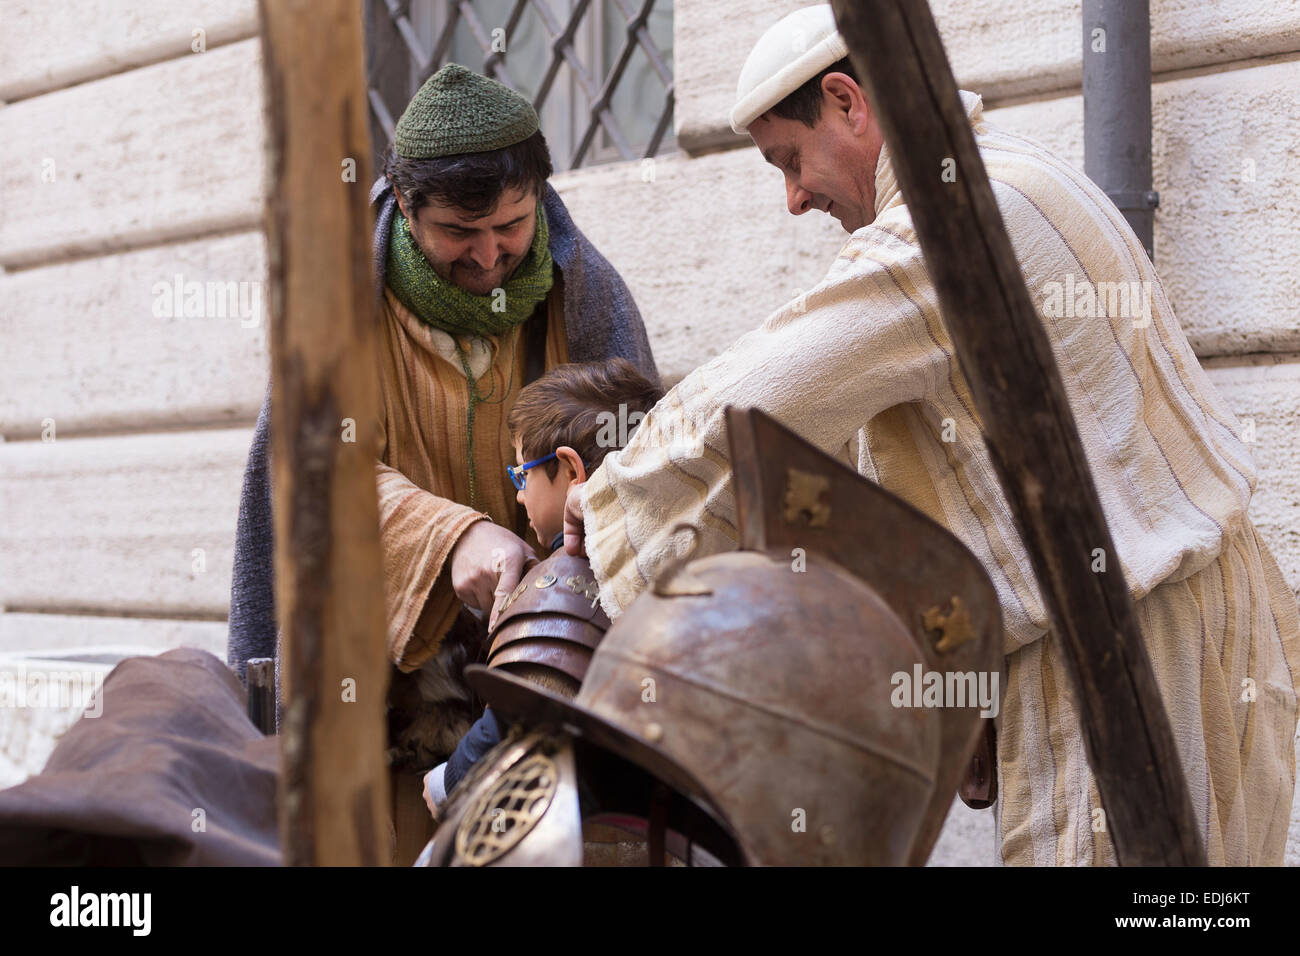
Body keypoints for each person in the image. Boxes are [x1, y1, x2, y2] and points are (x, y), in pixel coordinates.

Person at [562, 5, 1300, 865]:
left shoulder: (953, 225)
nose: (794, 199)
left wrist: (604, 505)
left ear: (847, 102)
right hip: (1193, 615)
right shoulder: (1014, 174)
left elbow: (764, 395)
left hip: (1127, 644)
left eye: (789, 162)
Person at [225, 64, 659, 858]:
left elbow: (640, 472)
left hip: (542, 704)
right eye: (460, 231)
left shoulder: (587, 295)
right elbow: (311, 474)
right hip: (377, 703)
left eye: (513, 224)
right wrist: (449, 539)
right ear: (405, 206)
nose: (490, 255)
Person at [423, 358, 663, 815]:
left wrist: (448, 783)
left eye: (522, 474)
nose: (518, 494)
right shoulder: (666, 556)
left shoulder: (569, 575)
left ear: (571, 472)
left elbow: (526, 712)